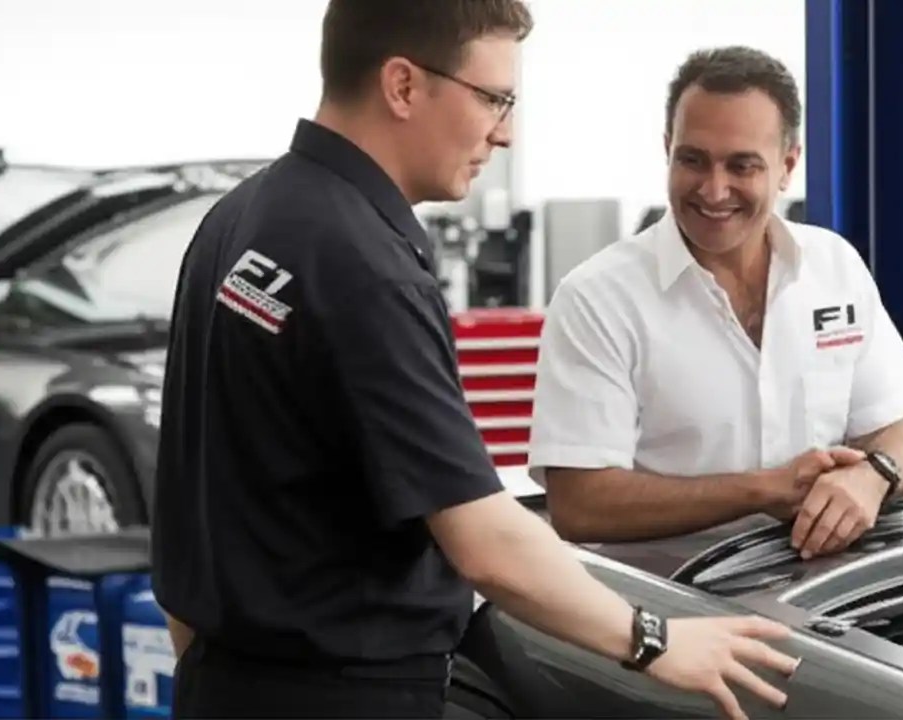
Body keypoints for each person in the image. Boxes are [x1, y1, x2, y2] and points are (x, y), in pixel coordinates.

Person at [151, 5, 798, 719]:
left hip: (223, 682)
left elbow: (190, 492)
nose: (507, 131)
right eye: (494, 98)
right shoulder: (364, 265)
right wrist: (657, 641)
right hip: (344, 694)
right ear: (402, 85)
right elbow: (484, 539)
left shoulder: (240, 219)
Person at [529, 46, 903, 560]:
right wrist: (764, 490)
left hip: (829, 596)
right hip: (669, 612)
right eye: (692, 160)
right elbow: (579, 504)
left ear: (788, 165)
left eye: (742, 166)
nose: (714, 190)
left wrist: (875, 475)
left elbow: (902, 438)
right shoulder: (598, 298)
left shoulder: (834, 266)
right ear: (666, 150)